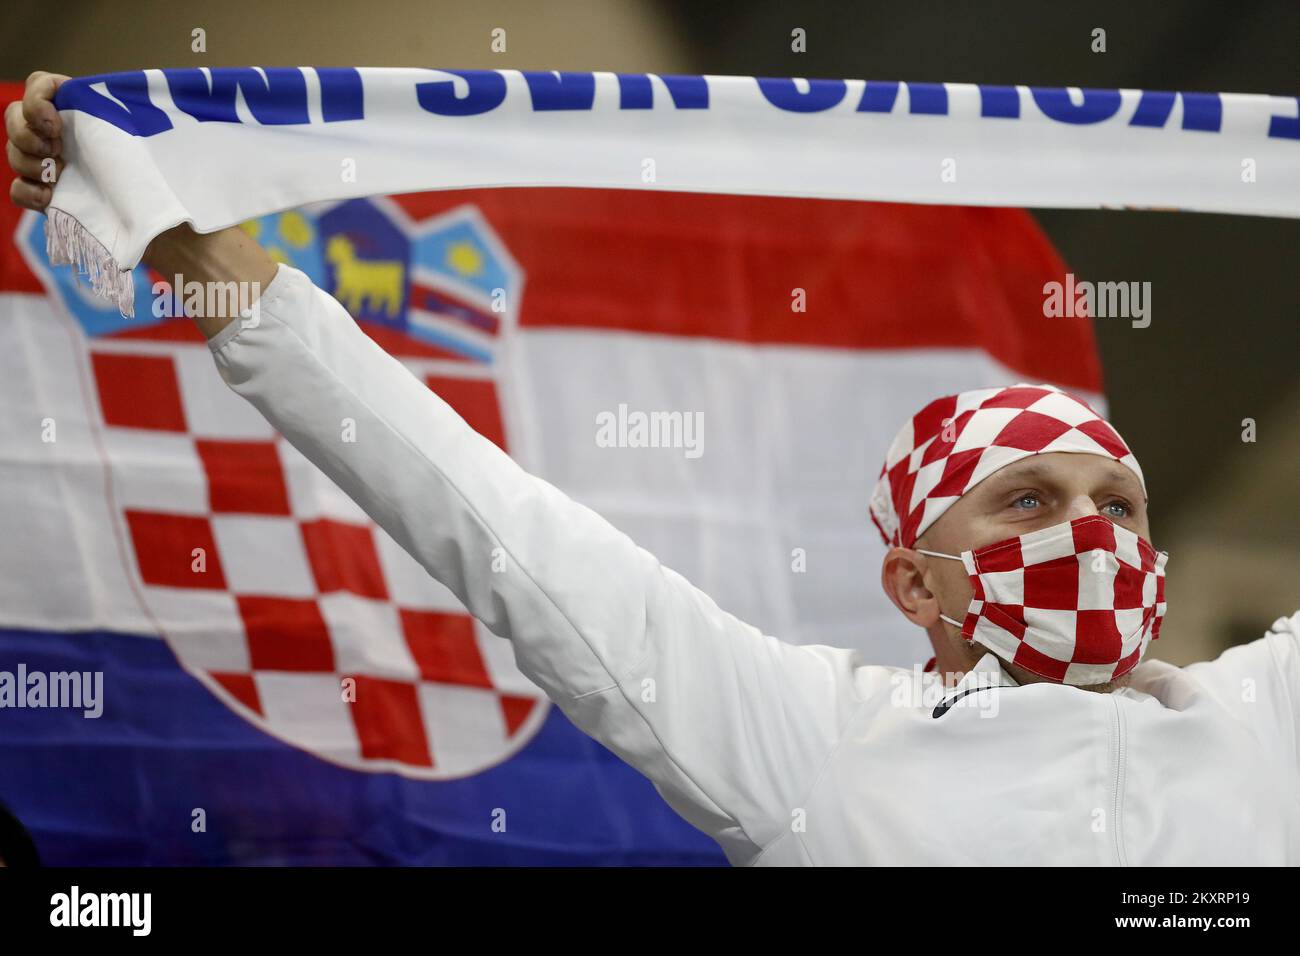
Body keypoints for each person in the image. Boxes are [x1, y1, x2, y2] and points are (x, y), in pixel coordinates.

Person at [9, 72, 1300, 865]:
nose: (1090, 530)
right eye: (1027, 501)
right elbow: (478, 508)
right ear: (916, 585)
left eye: (1117, 505)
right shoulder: (815, 741)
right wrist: (168, 224)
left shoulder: (1262, 725)